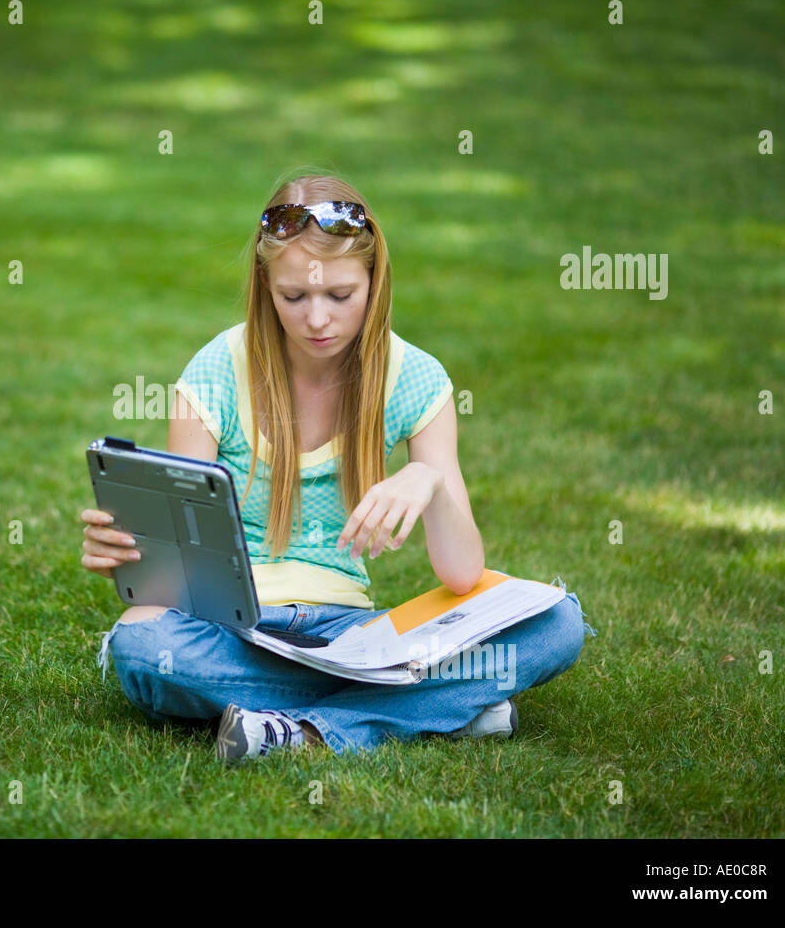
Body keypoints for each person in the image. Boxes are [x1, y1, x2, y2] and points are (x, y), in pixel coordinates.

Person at [80, 172, 595, 762]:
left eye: (341, 296)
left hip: (352, 632)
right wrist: (132, 550)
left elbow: (462, 572)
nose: (317, 320)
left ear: (375, 282)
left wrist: (428, 479)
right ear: (263, 285)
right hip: (234, 627)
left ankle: (304, 729)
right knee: (144, 646)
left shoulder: (416, 379)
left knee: (557, 624)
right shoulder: (216, 370)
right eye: (293, 297)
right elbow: (180, 569)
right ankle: (430, 708)